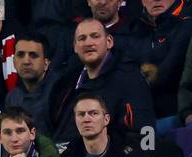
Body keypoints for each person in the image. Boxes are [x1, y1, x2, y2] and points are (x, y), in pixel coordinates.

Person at [48, 17, 154, 145]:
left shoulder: (129, 79)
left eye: (95, 36)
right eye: (82, 39)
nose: (88, 43)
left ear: (109, 42)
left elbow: (145, 132)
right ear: (75, 47)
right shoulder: (66, 83)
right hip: (64, 155)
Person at [122, 0, 192, 121]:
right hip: (142, 110)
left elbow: (169, 72)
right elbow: (126, 68)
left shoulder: (188, 25)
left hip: (175, 111)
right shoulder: (137, 29)